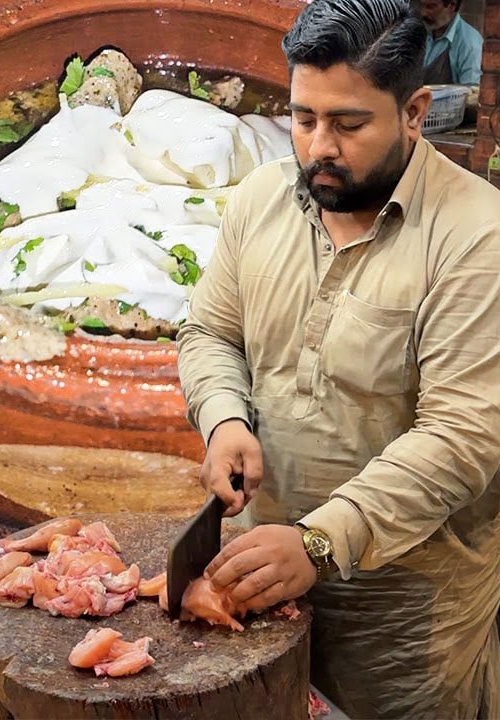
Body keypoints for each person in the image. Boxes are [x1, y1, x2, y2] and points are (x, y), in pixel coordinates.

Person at [176, 0, 500, 716]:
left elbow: (463, 437)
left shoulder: (477, 238)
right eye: (302, 118)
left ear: (415, 112)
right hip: (258, 582)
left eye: (348, 125)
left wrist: (321, 540)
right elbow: (210, 334)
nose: (318, 145)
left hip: (404, 626)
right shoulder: (261, 199)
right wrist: (225, 418)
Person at [420, 0, 483, 85]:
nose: (423, 13)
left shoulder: (469, 43)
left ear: (451, 6)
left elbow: (471, 92)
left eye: (431, 7)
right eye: (422, 5)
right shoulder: (419, 32)